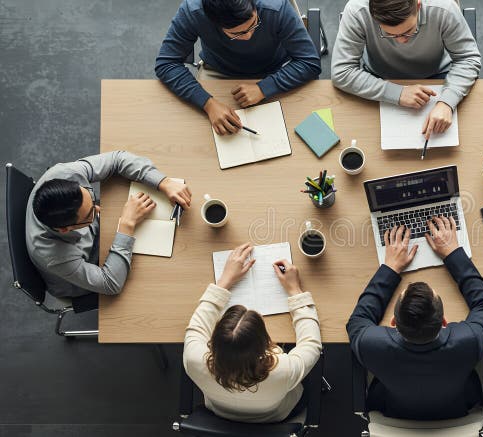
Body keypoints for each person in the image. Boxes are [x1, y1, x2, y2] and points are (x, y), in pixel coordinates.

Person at [347, 217, 483, 420]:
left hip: (395, 410)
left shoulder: (370, 344)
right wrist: (453, 254)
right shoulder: (469, 341)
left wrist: (390, 268)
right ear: (444, 322)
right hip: (456, 409)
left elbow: (358, 319)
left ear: (393, 322)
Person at [184, 242, 322, 422]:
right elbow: (311, 344)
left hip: (220, 415)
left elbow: (198, 325)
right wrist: (295, 291)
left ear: (214, 338)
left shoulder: (194, 359)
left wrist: (225, 280)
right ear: (265, 343)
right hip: (275, 419)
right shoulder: (283, 370)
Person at [26, 151, 191, 298]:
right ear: (65, 229)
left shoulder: (63, 174)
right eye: (90, 213)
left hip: (99, 236)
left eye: (91, 198)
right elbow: (110, 284)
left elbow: (117, 159)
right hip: (81, 276)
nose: (99, 209)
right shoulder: (55, 257)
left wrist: (163, 182)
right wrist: (127, 224)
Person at [155, 0, 322, 136]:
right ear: (213, 22)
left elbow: (309, 62)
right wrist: (208, 103)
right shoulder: (193, 11)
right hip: (218, 71)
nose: (249, 36)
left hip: (277, 69)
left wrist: (264, 88)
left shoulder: (275, 7)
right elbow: (166, 64)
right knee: (200, 136)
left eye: (253, 25)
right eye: (237, 34)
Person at [332, 0, 481, 140]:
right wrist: (398, 93)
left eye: (408, 31)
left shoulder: (444, 7)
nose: (401, 41)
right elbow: (342, 71)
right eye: (389, 34)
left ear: (418, 5)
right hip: (377, 77)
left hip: (437, 75)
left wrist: (447, 102)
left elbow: (467, 58)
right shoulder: (357, 10)